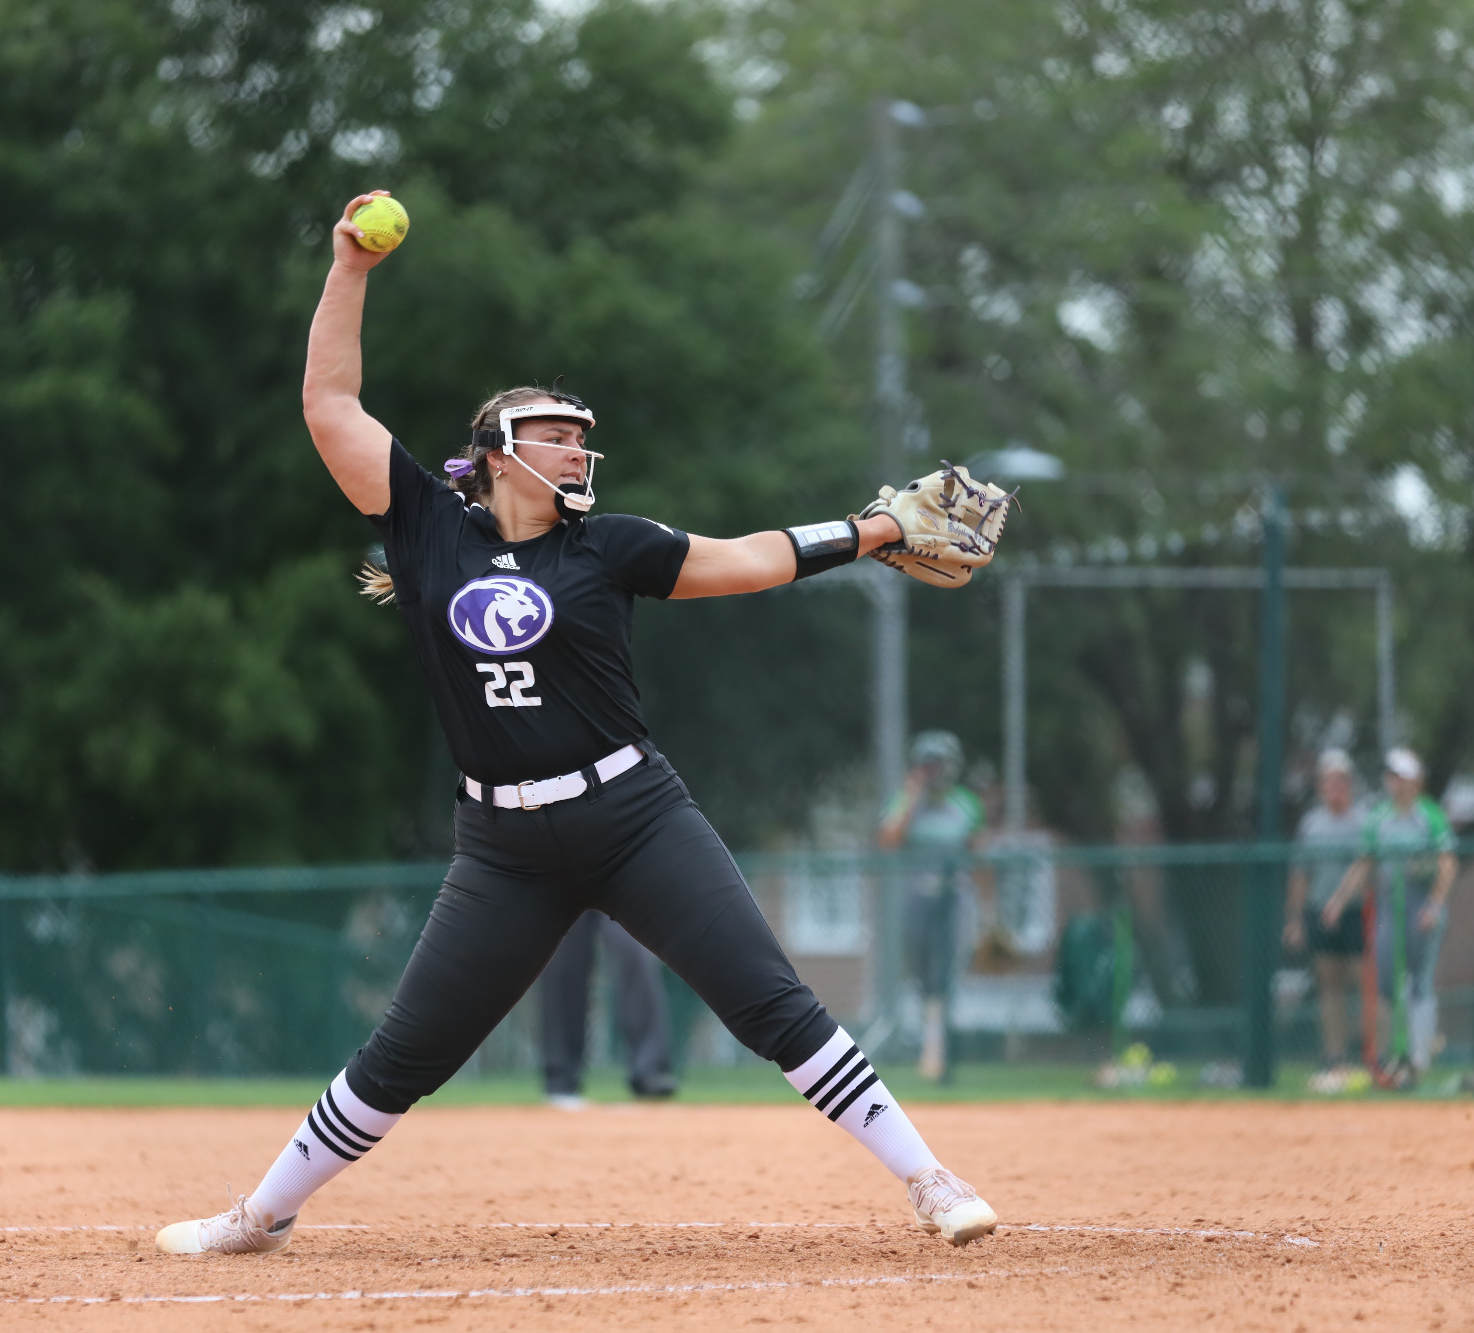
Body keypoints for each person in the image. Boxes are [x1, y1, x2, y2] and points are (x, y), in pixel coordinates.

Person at [153, 191, 1001, 1255]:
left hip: (633, 815)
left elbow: (745, 560)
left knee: (768, 1002)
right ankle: (260, 1213)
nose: (573, 450)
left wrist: (871, 529)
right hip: (502, 847)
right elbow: (330, 404)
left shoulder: (610, 546)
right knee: (406, 1052)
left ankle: (931, 1181)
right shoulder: (426, 529)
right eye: (553, 435)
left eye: (578, 437)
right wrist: (349, 269)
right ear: (499, 450)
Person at [1321, 747, 1457, 1085]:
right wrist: (1338, 900)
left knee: (1419, 983)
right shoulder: (1379, 817)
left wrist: (1435, 905)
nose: (1393, 783)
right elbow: (1364, 863)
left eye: (1400, 776)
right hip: (1388, 907)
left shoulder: (1430, 815)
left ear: (1415, 780)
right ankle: (1385, 1060)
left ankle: (1418, 1057)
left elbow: (1446, 862)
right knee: (1383, 983)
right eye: (1391, 776)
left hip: (1420, 904)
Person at [876, 731, 985, 1082]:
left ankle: (939, 1050)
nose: (933, 770)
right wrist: (912, 793)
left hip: (955, 897)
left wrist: (992, 913)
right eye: (927, 764)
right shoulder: (906, 800)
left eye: (938, 763)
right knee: (922, 972)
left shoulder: (966, 803)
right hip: (916, 895)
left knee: (946, 972)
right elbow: (889, 840)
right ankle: (932, 1041)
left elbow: (979, 856)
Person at [1282, 749, 1366, 1086]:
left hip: (1357, 912)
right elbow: (1301, 875)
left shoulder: (1363, 821)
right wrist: (1295, 919)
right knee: (1329, 985)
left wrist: (1342, 901)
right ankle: (1335, 1057)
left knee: (1363, 983)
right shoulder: (1312, 825)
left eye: (1341, 781)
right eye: (1329, 781)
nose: (1335, 787)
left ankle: (1368, 1054)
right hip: (1320, 912)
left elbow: (1366, 868)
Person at [539, 909, 676, 1107]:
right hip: (560, 880)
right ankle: (560, 1078)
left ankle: (650, 1071)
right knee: (562, 960)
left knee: (634, 944)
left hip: (619, 880)